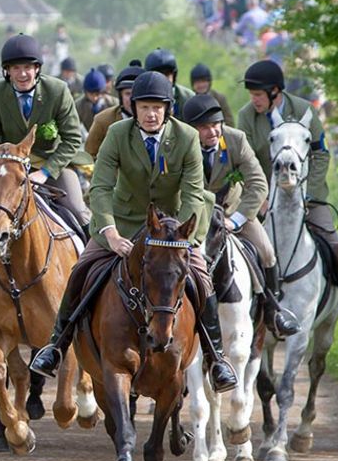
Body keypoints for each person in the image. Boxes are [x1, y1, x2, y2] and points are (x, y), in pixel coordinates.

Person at [28, 71, 237, 394]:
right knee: (82, 269)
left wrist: (177, 235)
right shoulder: (116, 134)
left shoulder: (186, 137)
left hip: (173, 228)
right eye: (144, 107)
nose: (150, 114)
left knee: (201, 278)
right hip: (123, 223)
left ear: (167, 109)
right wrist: (109, 231)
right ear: (133, 108)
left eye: (157, 107)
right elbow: (100, 186)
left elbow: (194, 191)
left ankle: (217, 357)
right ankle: (56, 345)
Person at [0, 33, 85, 316]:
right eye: (15, 68)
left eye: (28, 67)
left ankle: (89, 285)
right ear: (7, 71)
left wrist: (47, 172)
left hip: (50, 165)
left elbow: (72, 139)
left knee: (79, 213)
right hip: (5, 168)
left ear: (37, 69)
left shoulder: (58, 91)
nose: (22, 73)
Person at [238, 60, 338, 327]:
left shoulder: (305, 110)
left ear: (275, 92)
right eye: (251, 95)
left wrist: (309, 194)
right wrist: (259, 195)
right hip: (266, 194)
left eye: (258, 95)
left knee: (330, 236)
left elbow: (320, 153)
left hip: (307, 191)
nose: (254, 101)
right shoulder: (246, 116)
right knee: (241, 242)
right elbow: (246, 160)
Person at [182, 93, 300, 337]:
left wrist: (235, 220)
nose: (212, 132)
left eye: (215, 125)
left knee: (266, 251)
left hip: (233, 212)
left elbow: (258, 184)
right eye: (204, 127)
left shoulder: (236, 140)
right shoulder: (182, 146)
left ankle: (273, 311)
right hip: (194, 217)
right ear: (192, 129)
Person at [84, 59, 144, 159]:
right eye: (128, 94)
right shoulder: (102, 121)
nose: (132, 99)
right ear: (120, 96)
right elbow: (90, 155)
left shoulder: (157, 121)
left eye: (137, 93)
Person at [144, 48, 195, 119]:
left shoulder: (188, 98)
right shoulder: (141, 99)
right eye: (158, 75)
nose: (162, 79)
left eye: (166, 74)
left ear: (174, 76)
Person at [190, 62, 235, 127]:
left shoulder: (219, 98)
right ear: (193, 84)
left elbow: (229, 122)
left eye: (204, 81)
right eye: (198, 82)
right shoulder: (189, 100)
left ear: (209, 82)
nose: (201, 85)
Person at [75, 68, 118, 133]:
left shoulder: (115, 104)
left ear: (103, 91)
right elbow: (74, 126)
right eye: (91, 94)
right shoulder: (79, 105)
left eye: (97, 94)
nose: (94, 98)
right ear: (86, 92)